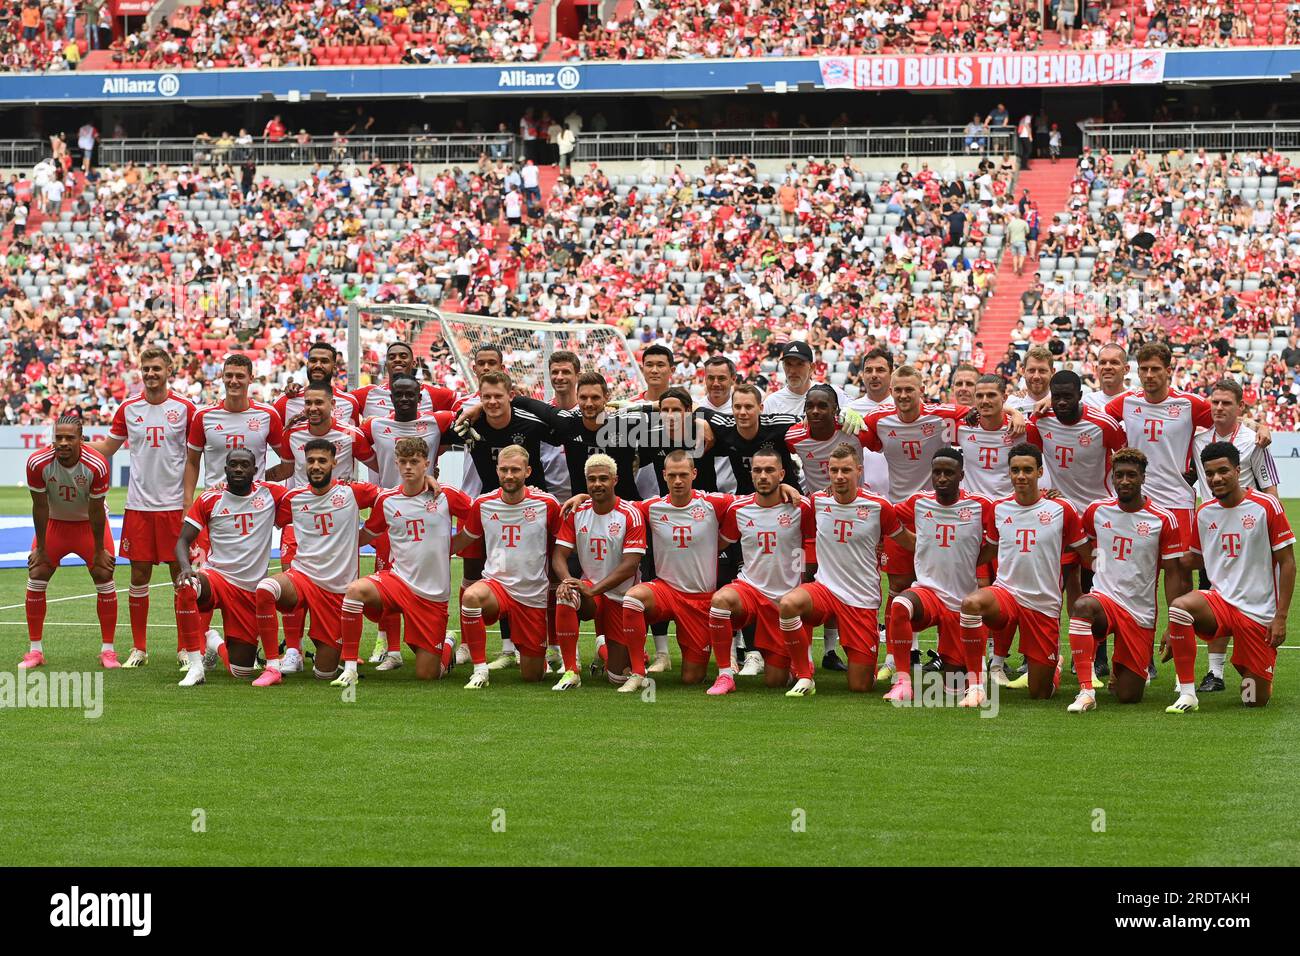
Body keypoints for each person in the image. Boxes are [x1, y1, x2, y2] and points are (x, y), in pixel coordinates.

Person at [1165, 442, 1295, 712]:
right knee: (1179, 608)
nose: (1216, 478)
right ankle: (1188, 694)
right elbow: (1193, 560)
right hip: (1220, 603)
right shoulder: (1204, 513)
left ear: (1238, 471)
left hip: (1259, 612)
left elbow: (1288, 563)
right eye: (1210, 473)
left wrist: (1280, 617)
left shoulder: (1266, 506)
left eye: (1223, 471)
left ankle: (1249, 664)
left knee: (1254, 700)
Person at [958, 443, 1091, 703]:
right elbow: (988, 552)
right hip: (1006, 594)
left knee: (1040, 694)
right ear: (1008, 473)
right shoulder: (998, 509)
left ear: (1040, 472)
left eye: (1028, 470)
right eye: (1015, 470)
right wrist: (953, 560)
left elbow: (1086, 553)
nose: (1021, 476)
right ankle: (976, 686)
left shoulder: (1061, 509)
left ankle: (1056, 665)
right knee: (971, 604)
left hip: (1043, 603)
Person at [336, 437, 472, 686]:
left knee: (427, 675)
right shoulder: (387, 500)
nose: (408, 467)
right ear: (396, 464)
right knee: (355, 591)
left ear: (426, 464)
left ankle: (447, 642)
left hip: (432, 595)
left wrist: (453, 546)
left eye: (415, 462)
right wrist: (335, 542)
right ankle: (350, 666)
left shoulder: (446, 496)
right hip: (398, 581)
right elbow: (368, 533)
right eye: (404, 462)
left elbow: (479, 515)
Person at [779, 444, 912, 695]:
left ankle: (868, 665)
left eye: (846, 470)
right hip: (825, 589)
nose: (839, 476)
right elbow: (779, 499)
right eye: (834, 470)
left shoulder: (879, 506)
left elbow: (907, 541)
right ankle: (804, 675)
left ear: (859, 471)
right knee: (788, 605)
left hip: (860, 599)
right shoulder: (818, 501)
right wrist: (783, 486)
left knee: (859, 686)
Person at [91, 347, 196, 667]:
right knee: (138, 576)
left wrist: (189, 502)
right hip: (138, 506)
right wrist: (76, 443)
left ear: (169, 370)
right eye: (146, 369)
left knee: (181, 576)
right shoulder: (128, 408)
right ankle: (139, 648)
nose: (151, 374)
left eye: (156, 369)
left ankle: (184, 646)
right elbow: (108, 447)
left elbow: (195, 455)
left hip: (173, 507)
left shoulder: (186, 408)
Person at [252, 440, 381, 686]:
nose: (316, 466)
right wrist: (220, 485)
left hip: (336, 591)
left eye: (322, 460)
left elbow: (392, 498)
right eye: (311, 461)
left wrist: (368, 534)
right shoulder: (294, 498)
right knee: (266, 589)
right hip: (303, 577)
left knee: (324, 674)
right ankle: (272, 667)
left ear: (334, 462)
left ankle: (329, 657)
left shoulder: (352, 492)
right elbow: (251, 488)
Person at [1068, 449, 1186, 712]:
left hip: (1139, 611)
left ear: (1143, 477)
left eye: (1131, 475)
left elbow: (1174, 574)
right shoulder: (1096, 511)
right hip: (1105, 600)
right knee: (1083, 606)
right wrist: (1099, 566)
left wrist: (1174, 624)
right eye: (1119, 475)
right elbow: (1083, 546)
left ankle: (1121, 671)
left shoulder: (1163, 519)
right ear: (1111, 477)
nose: (1124, 481)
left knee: (1128, 695)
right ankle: (1086, 690)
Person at [359, 374, 457, 665]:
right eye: (398, 394)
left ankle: (443, 639)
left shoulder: (435, 421)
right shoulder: (375, 424)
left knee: (419, 578)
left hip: (424, 507)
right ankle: (390, 650)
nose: (404, 399)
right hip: (390, 511)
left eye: (410, 394)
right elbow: (349, 438)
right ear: (390, 397)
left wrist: (429, 473)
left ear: (420, 396)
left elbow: (465, 410)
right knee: (385, 582)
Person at [172, 449, 289, 687]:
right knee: (186, 586)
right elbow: (182, 540)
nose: (238, 469)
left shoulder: (272, 494)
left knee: (241, 671)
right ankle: (195, 667)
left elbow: (311, 497)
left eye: (244, 465)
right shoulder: (209, 499)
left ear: (255, 471)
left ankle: (214, 641)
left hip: (249, 591)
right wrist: (185, 567)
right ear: (224, 469)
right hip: (217, 578)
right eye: (233, 464)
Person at [707, 448, 817, 696]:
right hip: (750, 590)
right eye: (757, 470)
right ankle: (725, 674)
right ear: (751, 474)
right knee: (720, 600)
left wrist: (807, 581)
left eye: (769, 470)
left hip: (785, 599)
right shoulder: (739, 508)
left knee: (775, 681)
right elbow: (718, 543)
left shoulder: (801, 506)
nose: (763, 476)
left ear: (782, 474)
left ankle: (795, 661)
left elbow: (812, 543)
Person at [889, 448, 996, 702]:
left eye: (949, 473)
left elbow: (995, 540)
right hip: (927, 593)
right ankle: (902, 681)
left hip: (961, 602)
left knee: (953, 686)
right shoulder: (918, 502)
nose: (942, 478)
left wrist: (973, 560)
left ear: (961, 475)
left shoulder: (981, 505)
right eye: (937, 472)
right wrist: (916, 544)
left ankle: (965, 673)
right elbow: (886, 515)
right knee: (900, 604)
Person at [452, 445, 561, 689]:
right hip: (496, 585)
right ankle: (480, 669)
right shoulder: (483, 503)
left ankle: (536, 656)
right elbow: (464, 539)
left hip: (532, 593)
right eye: (504, 469)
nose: (509, 475)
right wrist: (427, 551)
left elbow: (561, 545)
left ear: (528, 472)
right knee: (471, 596)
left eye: (515, 470)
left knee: (532, 677)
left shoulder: (547, 504)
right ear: (497, 471)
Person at [22, 415, 117, 670]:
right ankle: (35, 651)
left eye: (69, 438)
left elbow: (97, 511)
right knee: (37, 572)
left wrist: (99, 551)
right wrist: (41, 549)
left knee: (103, 573)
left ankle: (108, 650)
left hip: (89, 525)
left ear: (81, 438)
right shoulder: (37, 462)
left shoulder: (96, 464)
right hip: (55, 523)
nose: (63, 443)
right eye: (58, 437)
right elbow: (39, 506)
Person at [551, 455, 645, 690]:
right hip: (589, 592)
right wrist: (568, 580)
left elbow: (630, 565)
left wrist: (593, 589)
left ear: (615, 480)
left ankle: (603, 648)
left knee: (617, 677)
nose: (597, 484)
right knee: (565, 593)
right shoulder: (576, 511)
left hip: (621, 598)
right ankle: (571, 670)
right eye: (592, 479)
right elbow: (558, 556)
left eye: (603, 478)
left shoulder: (630, 514)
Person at [184, 354, 284, 510]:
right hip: (215, 504)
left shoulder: (267, 415)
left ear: (251, 378)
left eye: (240, 376)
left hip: (256, 506)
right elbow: (191, 462)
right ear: (222, 378)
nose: (234, 381)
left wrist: (260, 479)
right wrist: (187, 503)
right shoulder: (204, 416)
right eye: (229, 375)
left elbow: (289, 462)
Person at [350, 339, 463, 420]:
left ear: (413, 363)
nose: (397, 360)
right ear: (386, 365)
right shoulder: (368, 394)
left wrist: (443, 442)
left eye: (403, 356)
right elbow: (339, 401)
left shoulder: (431, 393)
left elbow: (466, 401)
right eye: (392, 357)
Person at [956, 374, 1019, 501]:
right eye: (979, 396)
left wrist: (1015, 413)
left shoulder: (1021, 428)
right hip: (972, 507)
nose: (984, 401)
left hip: (1006, 507)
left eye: (991, 395)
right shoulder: (960, 427)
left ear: (1004, 398)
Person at [273, 341, 361, 427]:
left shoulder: (349, 403)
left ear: (334, 368)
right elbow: (277, 440)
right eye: (313, 360)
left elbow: (352, 439)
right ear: (307, 365)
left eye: (324, 361)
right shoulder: (285, 400)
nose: (318, 365)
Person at [762, 341, 846, 416]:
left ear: (812, 367)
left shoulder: (831, 393)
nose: (792, 371)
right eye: (788, 364)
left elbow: (854, 408)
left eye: (800, 364)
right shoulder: (771, 402)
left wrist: (848, 411)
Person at [1081, 343, 1130, 411]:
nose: (1107, 367)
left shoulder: (1135, 400)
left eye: (1114, 362)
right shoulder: (1087, 402)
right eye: (1103, 363)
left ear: (1126, 369)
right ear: (1096, 369)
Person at [1006, 345, 1053, 416]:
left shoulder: (1063, 404)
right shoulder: (1010, 404)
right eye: (1031, 370)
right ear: (1023, 372)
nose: (1036, 376)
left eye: (1042, 371)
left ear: (1052, 372)